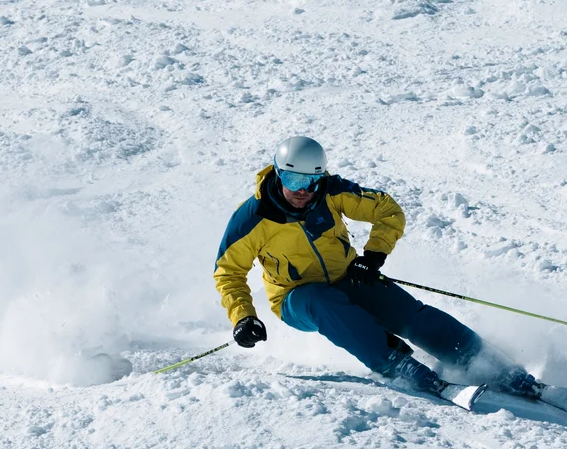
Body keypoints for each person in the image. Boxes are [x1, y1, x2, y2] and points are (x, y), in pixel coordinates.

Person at [212, 136, 540, 400]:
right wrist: (243, 317)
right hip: (296, 299)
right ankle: (398, 364)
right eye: (293, 178)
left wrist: (373, 256)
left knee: (411, 315)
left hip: (346, 277)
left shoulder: (330, 191)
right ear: (278, 173)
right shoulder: (252, 218)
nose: (303, 190)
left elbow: (387, 209)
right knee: (321, 300)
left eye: (311, 181)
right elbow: (229, 272)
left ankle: (490, 364)